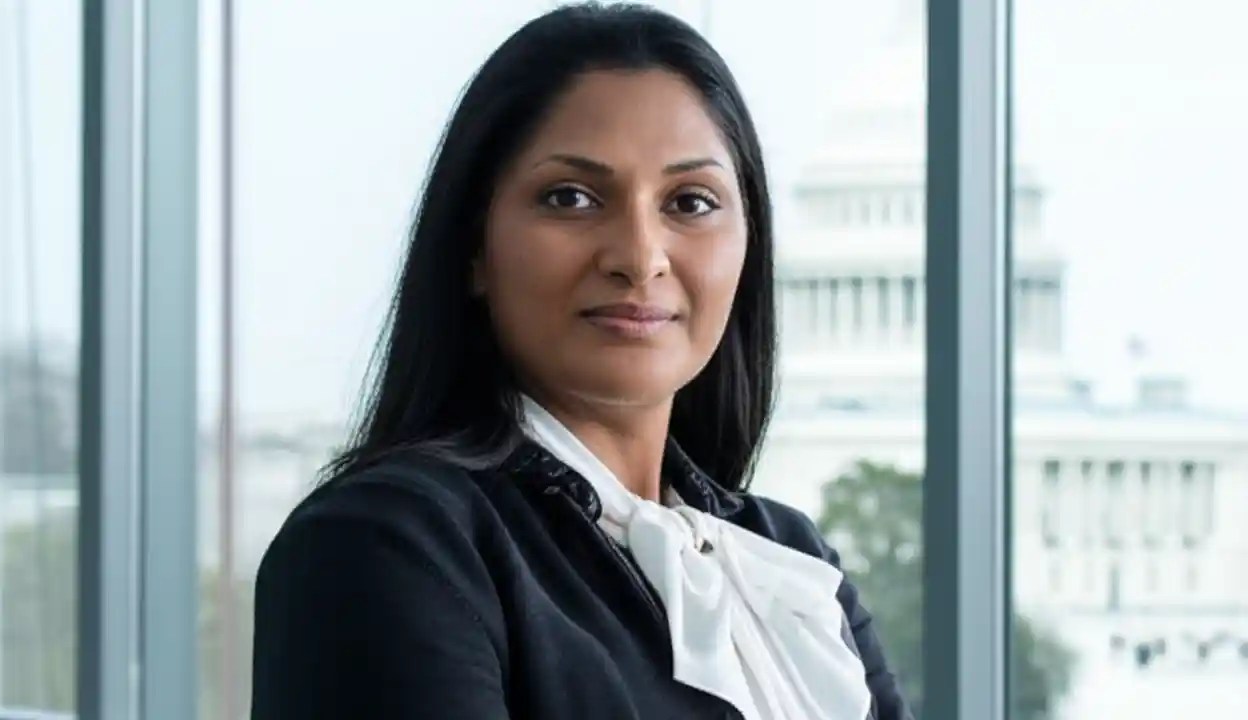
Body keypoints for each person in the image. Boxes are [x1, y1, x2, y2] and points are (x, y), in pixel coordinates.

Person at [251, 3, 911, 719]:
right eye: (572, 198)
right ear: (475, 245)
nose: (639, 257)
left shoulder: (786, 558)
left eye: (691, 202)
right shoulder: (387, 546)